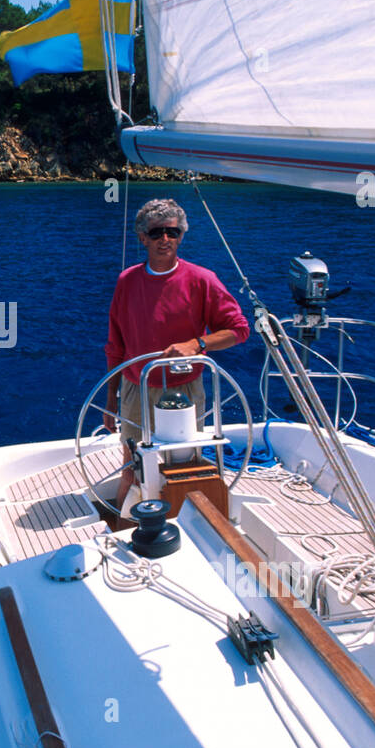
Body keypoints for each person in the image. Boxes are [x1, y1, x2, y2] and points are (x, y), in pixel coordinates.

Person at [104, 198, 250, 515]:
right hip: (134, 390)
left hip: (185, 390)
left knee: (185, 465)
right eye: (157, 233)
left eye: (172, 232)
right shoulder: (126, 281)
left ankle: (187, 524)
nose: (165, 240)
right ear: (142, 237)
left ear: (181, 235)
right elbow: (115, 345)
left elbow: (238, 329)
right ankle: (122, 523)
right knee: (132, 465)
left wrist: (197, 343)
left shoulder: (202, 280)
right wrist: (110, 400)